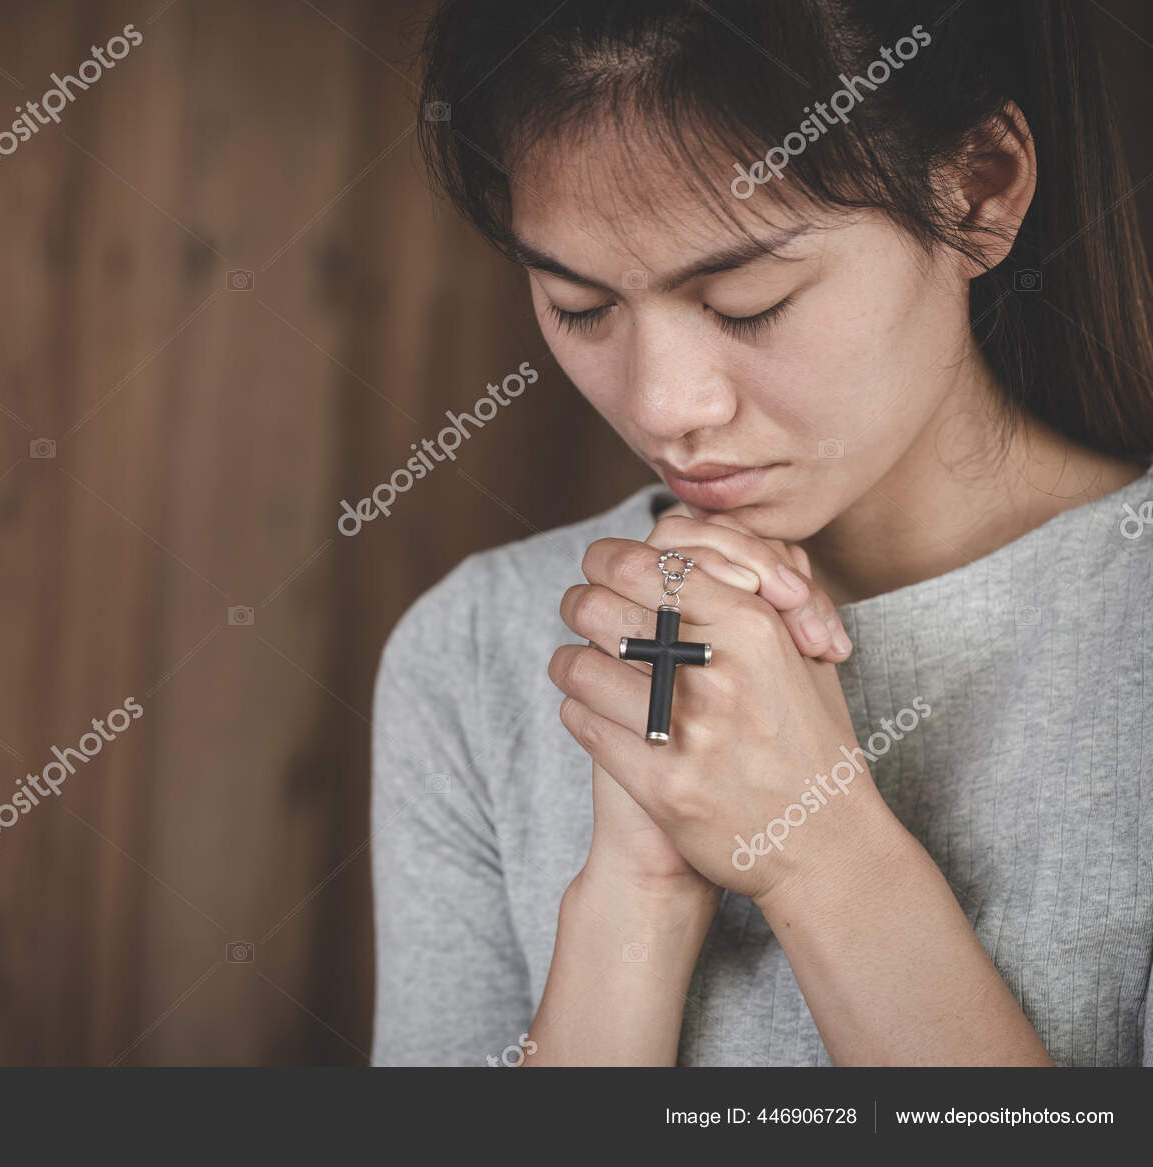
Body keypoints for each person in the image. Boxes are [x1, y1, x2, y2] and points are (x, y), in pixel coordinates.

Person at [371, 0, 1153, 1066]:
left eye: (746, 301)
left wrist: (821, 851)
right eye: (579, 305)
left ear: (979, 190)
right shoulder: (473, 647)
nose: (664, 407)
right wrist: (632, 904)